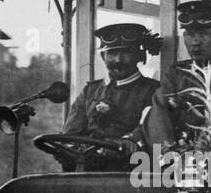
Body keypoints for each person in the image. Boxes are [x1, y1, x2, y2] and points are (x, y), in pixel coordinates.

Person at [145, 0, 211, 145]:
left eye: (203, 34)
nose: (195, 42)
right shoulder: (177, 74)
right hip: (179, 157)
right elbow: (160, 113)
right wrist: (168, 154)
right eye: (189, 34)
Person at [62, 23, 161, 170]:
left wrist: (128, 142)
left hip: (130, 174)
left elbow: (146, 131)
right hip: (86, 171)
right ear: (103, 56)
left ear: (139, 56)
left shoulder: (153, 90)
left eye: (126, 53)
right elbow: (71, 134)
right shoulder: (90, 91)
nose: (118, 60)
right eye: (112, 54)